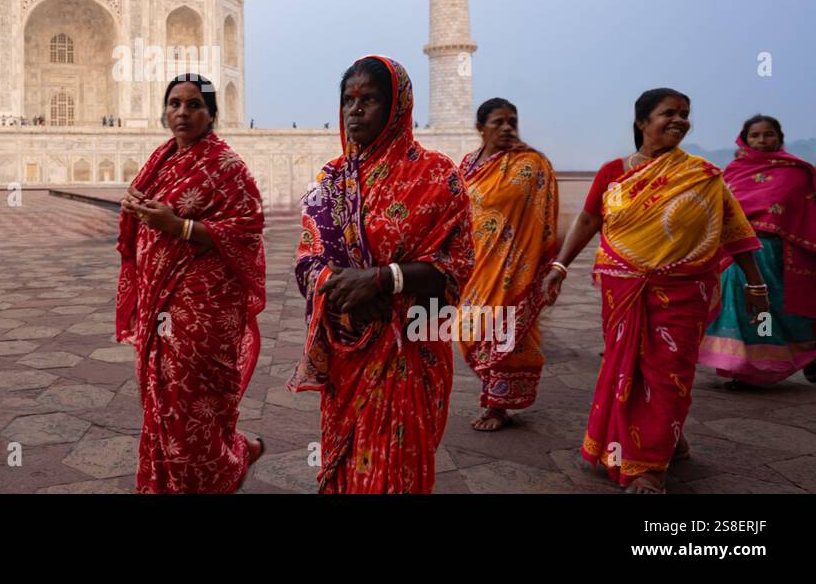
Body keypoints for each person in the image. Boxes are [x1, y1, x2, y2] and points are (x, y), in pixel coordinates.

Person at [551, 88, 763, 493]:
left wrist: (756, 284)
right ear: (641, 121)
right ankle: (663, 437)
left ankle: (649, 464)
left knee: (668, 374)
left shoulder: (702, 175)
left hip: (683, 291)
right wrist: (560, 265)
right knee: (626, 368)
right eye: (669, 113)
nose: (679, 120)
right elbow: (589, 220)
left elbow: (735, 231)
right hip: (622, 289)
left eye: (685, 114)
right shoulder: (614, 171)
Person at [288, 55, 474, 493]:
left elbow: (457, 266)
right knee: (352, 465)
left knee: (398, 469)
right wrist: (338, 287)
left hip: (410, 349)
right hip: (350, 349)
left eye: (369, 99)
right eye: (349, 100)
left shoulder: (435, 175)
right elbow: (306, 261)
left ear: (397, 107)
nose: (355, 110)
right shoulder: (331, 181)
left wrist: (383, 280)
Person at [116, 73, 266, 493]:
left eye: (194, 104)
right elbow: (148, 211)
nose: (182, 112)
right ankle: (186, 474)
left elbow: (248, 230)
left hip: (204, 309)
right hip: (161, 303)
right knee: (163, 403)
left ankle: (217, 471)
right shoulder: (161, 159)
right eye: (175, 104)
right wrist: (133, 206)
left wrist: (179, 226)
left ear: (212, 113)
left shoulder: (228, 167)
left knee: (194, 404)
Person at [457, 98, 561, 430]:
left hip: (515, 266)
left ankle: (497, 404)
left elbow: (544, 215)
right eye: (498, 122)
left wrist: (546, 265)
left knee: (505, 332)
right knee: (470, 328)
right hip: (475, 263)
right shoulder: (468, 165)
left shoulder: (531, 163)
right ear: (480, 128)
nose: (506, 128)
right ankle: (492, 394)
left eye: (511, 121)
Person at [700, 115, 816, 386]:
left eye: (768, 134)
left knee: (782, 313)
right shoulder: (733, 171)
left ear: (779, 137)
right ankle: (746, 367)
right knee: (741, 307)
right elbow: (721, 211)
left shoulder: (797, 172)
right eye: (755, 135)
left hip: (781, 255)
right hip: (738, 253)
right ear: (744, 139)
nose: (762, 140)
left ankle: (799, 355)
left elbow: (809, 210)